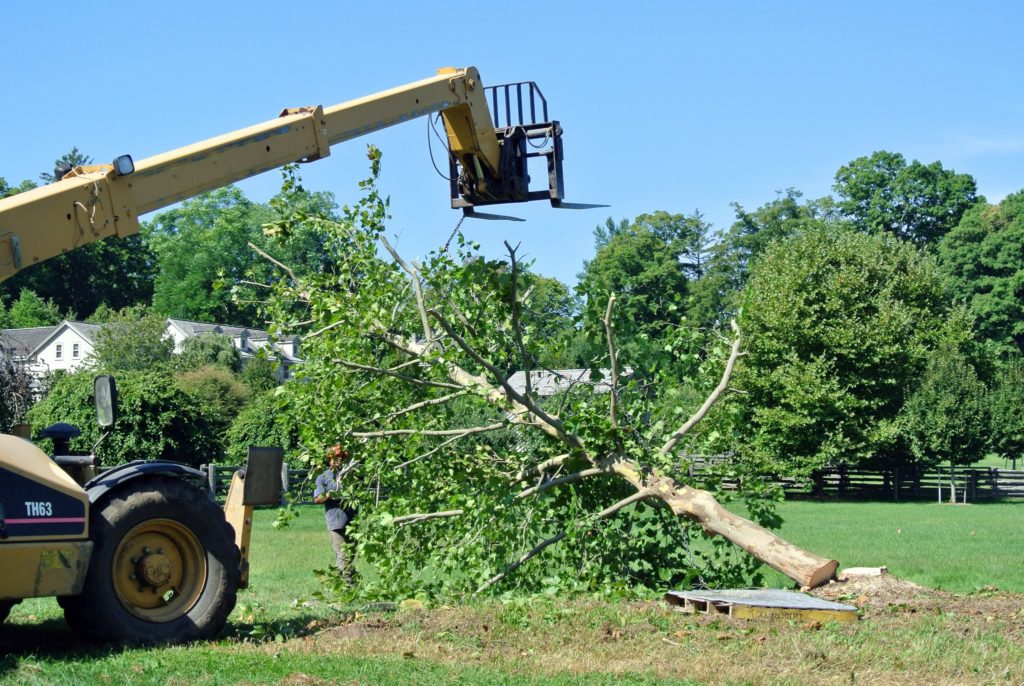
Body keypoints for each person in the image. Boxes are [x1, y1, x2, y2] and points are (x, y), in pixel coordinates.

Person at [313, 445, 355, 584]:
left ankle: (339, 583)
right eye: (335, 458)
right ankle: (347, 585)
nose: (338, 461)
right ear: (329, 459)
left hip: (353, 521)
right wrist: (331, 494)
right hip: (336, 522)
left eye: (341, 458)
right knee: (343, 554)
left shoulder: (352, 475)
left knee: (352, 553)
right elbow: (317, 498)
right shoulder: (323, 477)